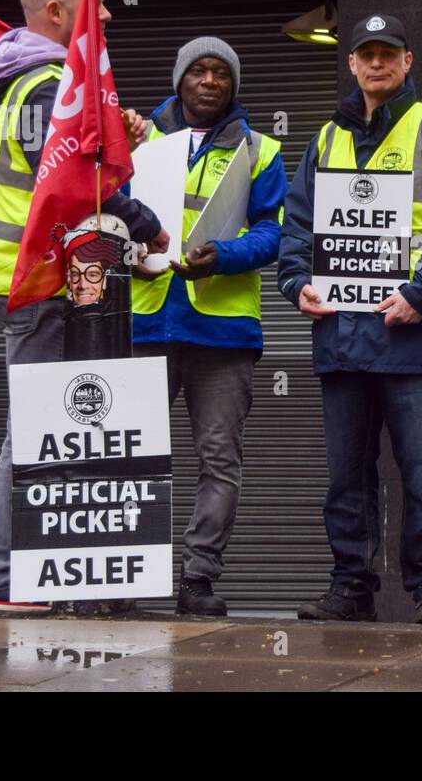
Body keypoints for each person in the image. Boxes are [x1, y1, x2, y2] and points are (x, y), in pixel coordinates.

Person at [0, 0, 167, 613]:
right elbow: (81, 182)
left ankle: (38, 576)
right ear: (56, 12)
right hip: (36, 282)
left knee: (48, 425)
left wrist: (122, 140)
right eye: (94, 5)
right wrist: (148, 228)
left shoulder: (23, 81)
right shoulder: (49, 84)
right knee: (34, 430)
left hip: (29, 277)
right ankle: (14, 580)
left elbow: (77, 165)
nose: (107, 17)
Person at [278, 13, 422, 625]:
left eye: (387, 53)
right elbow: (297, 229)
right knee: (346, 480)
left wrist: (420, 294)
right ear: (351, 64)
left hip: (413, 338)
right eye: (365, 54)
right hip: (343, 338)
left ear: (407, 61)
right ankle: (350, 585)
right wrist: (296, 284)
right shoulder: (323, 140)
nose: (376, 63)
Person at [131, 37, 288, 617]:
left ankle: (198, 578)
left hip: (221, 332)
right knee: (133, 456)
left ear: (233, 85)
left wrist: (223, 254)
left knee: (219, 458)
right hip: (144, 321)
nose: (209, 81)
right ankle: (125, 573)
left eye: (221, 73)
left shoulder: (260, 149)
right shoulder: (137, 140)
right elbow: (100, 211)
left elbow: (276, 234)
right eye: (197, 70)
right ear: (179, 79)